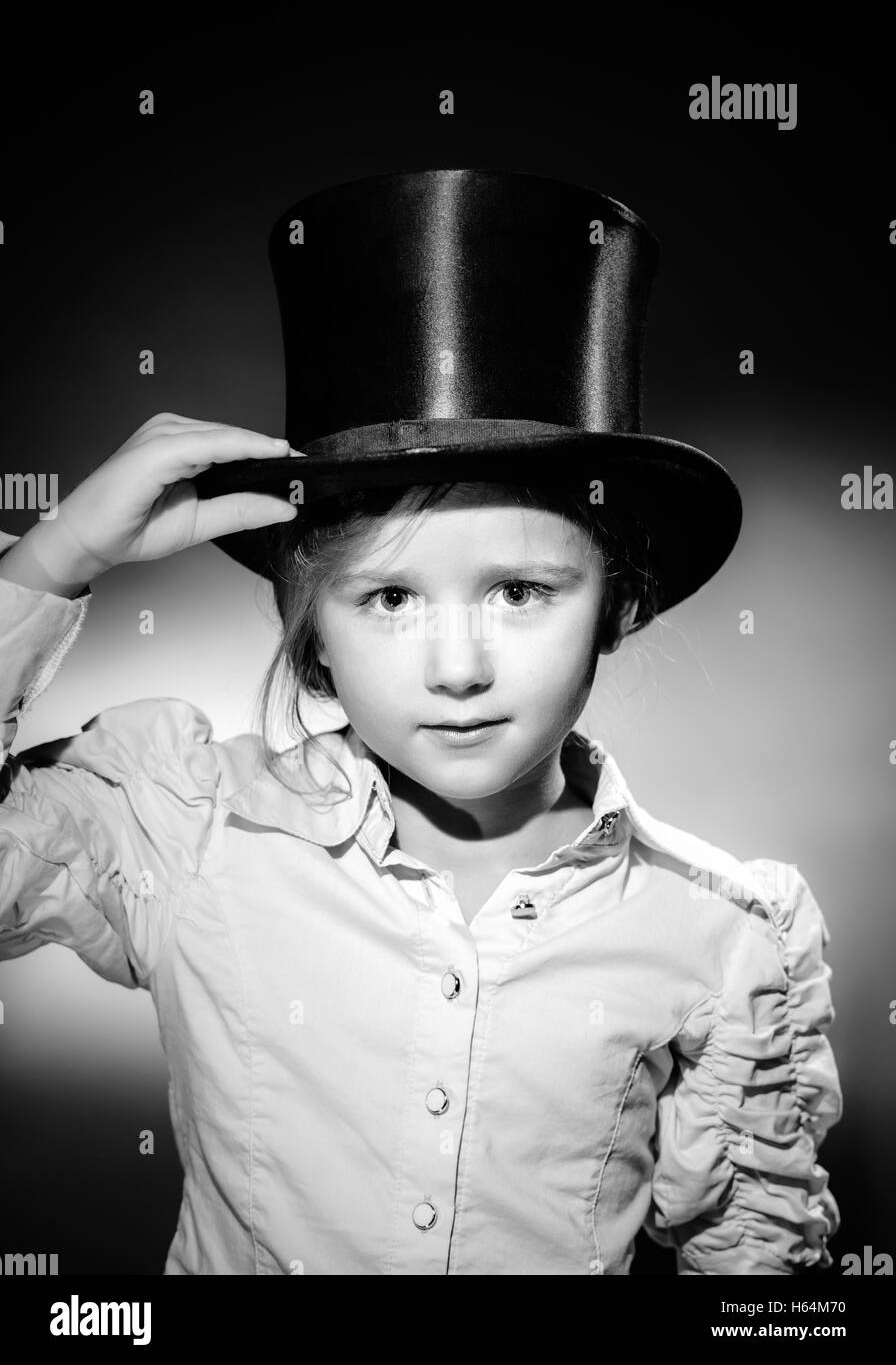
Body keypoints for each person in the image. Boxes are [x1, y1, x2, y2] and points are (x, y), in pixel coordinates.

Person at [0, 170, 842, 1275]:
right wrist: (53, 558)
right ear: (314, 630)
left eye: (520, 592)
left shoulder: (730, 933)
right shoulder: (184, 825)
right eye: (389, 598)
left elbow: (754, 1273)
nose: (457, 669)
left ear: (620, 603)